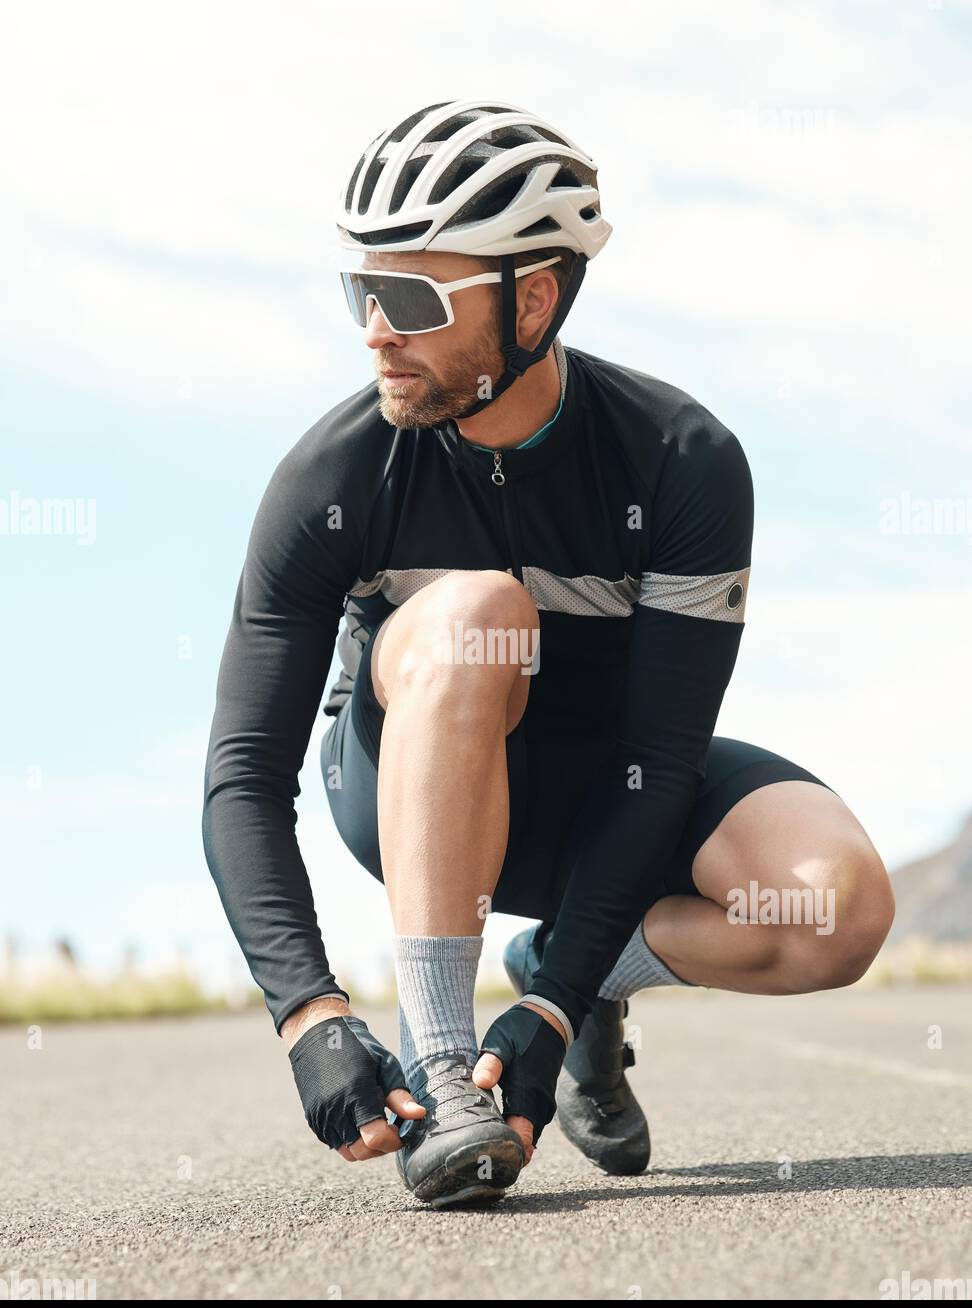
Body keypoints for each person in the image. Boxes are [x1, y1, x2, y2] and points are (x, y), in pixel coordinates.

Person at [202, 99, 896, 1208]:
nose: (374, 327)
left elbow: (661, 762)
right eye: (361, 289)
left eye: (413, 297)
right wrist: (310, 1013)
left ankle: (552, 972)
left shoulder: (682, 459)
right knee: (481, 612)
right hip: (408, 776)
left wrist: (557, 999)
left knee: (837, 907)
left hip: (614, 783)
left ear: (533, 298)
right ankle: (447, 1069)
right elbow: (242, 777)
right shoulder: (330, 480)